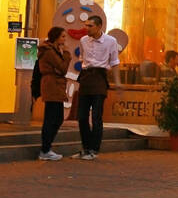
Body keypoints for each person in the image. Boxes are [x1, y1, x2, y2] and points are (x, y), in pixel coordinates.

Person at [76, 15, 121, 160]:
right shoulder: (83, 40)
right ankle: (86, 147)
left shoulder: (110, 41)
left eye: (90, 26)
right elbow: (82, 58)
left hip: (100, 77)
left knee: (96, 115)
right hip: (86, 77)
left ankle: (94, 149)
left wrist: (117, 82)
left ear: (99, 26)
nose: (87, 28)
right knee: (82, 116)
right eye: (86, 25)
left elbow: (114, 62)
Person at [37, 27, 71, 160]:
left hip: (55, 85)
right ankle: (45, 149)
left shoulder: (53, 50)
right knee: (52, 118)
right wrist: (67, 53)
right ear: (56, 37)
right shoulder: (50, 51)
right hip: (52, 85)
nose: (65, 39)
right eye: (63, 36)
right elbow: (62, 68)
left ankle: (47, 147)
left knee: (56, 117)